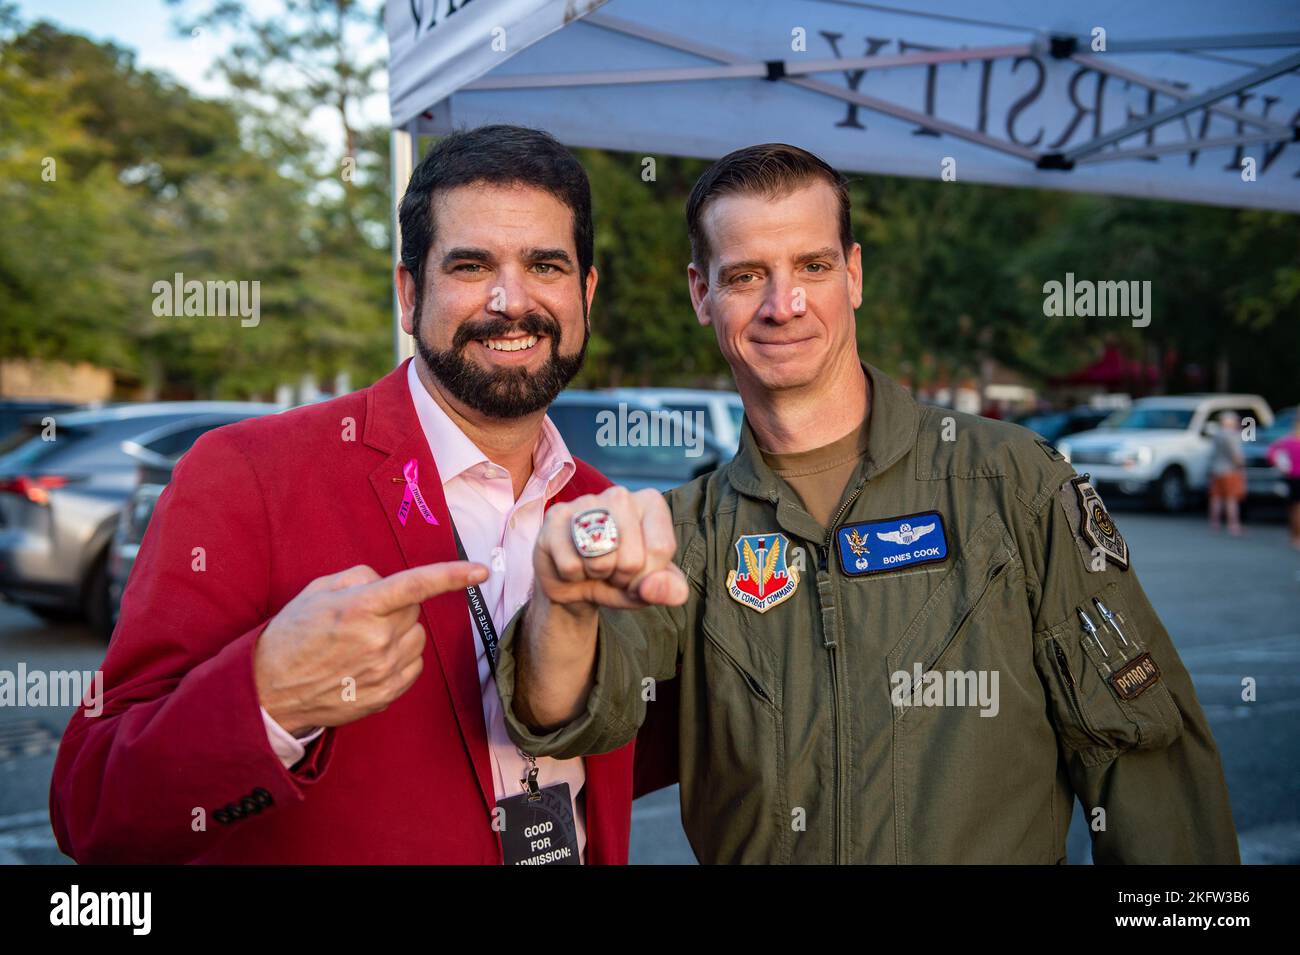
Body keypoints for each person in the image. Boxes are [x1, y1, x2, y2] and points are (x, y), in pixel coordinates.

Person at [494, 143, 1240, 864]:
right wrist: (562, 606)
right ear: (701, 292)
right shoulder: (685, 537)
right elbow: (565, 713)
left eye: (812, 266)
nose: (784, 305)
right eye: (748, 274)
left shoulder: (1013, 483)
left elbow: (1144, 766)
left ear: (852, 274)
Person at [50, 125, 660, 864]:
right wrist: (268, 696)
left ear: (585, 292)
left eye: (546, 265)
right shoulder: (247, 474)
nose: (511, 299)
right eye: (471, 264)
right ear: (410, 294)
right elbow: (93, 808)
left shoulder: (604, 517)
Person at [1208, 411, 1246, 535]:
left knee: (1216, 498)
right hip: (1230, 470)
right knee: (1231, 499)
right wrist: (1241, 466)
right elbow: (1235, 454)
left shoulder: (1217, 434)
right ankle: (1233, 524)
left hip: (1216, 469)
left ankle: (1215, 522)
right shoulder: (1232, 435)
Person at [1267, 414, 1300, 550]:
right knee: (1297, 508)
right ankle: (1297, 536)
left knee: (1292, 507)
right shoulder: (1292, 442)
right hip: (1297, 477)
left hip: (1290, 477)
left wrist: (1282, 466)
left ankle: (1294, 536)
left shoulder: (1286, 441)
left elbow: (1271, 454)